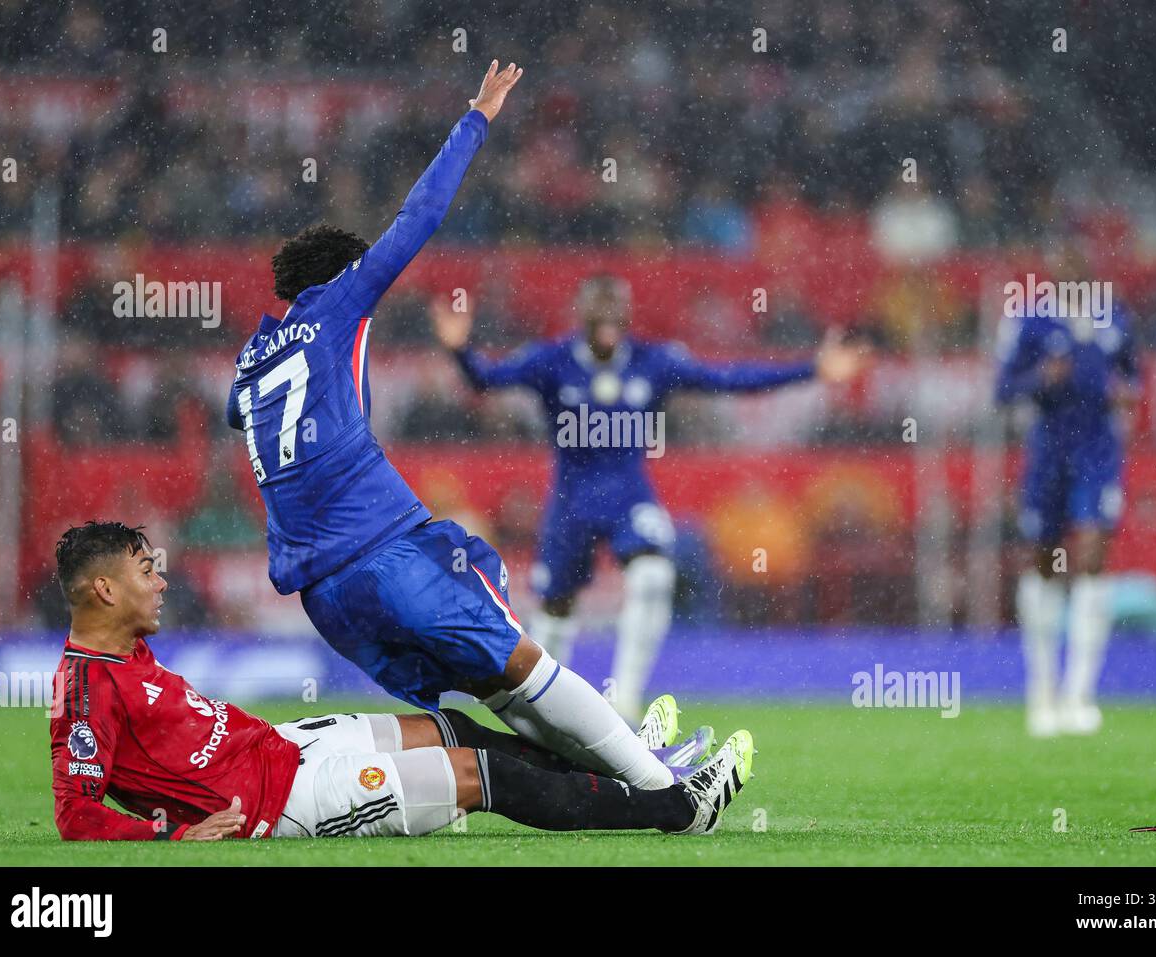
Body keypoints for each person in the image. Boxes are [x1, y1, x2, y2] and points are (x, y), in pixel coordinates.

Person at [228, 61, 704, 790]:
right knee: (520, 659)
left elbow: (241, 414)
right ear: (339, 274)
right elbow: (420, 215)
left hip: (324, 598)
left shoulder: (249, 363)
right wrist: (476, 116)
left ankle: (612, 777)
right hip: (384, 549)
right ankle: (668, 788)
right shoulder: (341, 299)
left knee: (492, 686)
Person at [49, 521, 753, 841]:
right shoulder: (84, 690)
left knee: (458, 726)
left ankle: (637, 764)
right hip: (282, 801)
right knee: (479, 775)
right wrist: (172, 839)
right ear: (105, 590)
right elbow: (76, 814)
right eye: (147, 571)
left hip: (285, 745)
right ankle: (673, 809)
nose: (162, 580)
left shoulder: (122, 651)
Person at [433, 275, 866, 718]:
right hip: (571, 502)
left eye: (615, 306)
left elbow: (731, 380)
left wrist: (811, 369)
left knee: (653, 576)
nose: (607, 316)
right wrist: (460, 350)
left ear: (627, 312)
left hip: (628, 495)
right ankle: (549, 710)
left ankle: (624, 698)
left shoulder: (651, 362)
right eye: (597, 307)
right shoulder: (552, 360)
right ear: (580, 313)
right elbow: (485, 380)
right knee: (554, 610)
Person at [995, 244, 1140, 736]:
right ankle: (1042, 689)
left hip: (1098, 453)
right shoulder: (1031, 322)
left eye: (1079, 264)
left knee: (1094, 555)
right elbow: (1002, 391)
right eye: (1063, 265)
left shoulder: (1113, 318)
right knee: (1044, 563)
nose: (1072, 271)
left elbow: (1133, 377)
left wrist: (1125, 393)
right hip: (1049, 453)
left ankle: (1080, 693)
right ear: (1052, 272)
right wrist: (1041, 378)